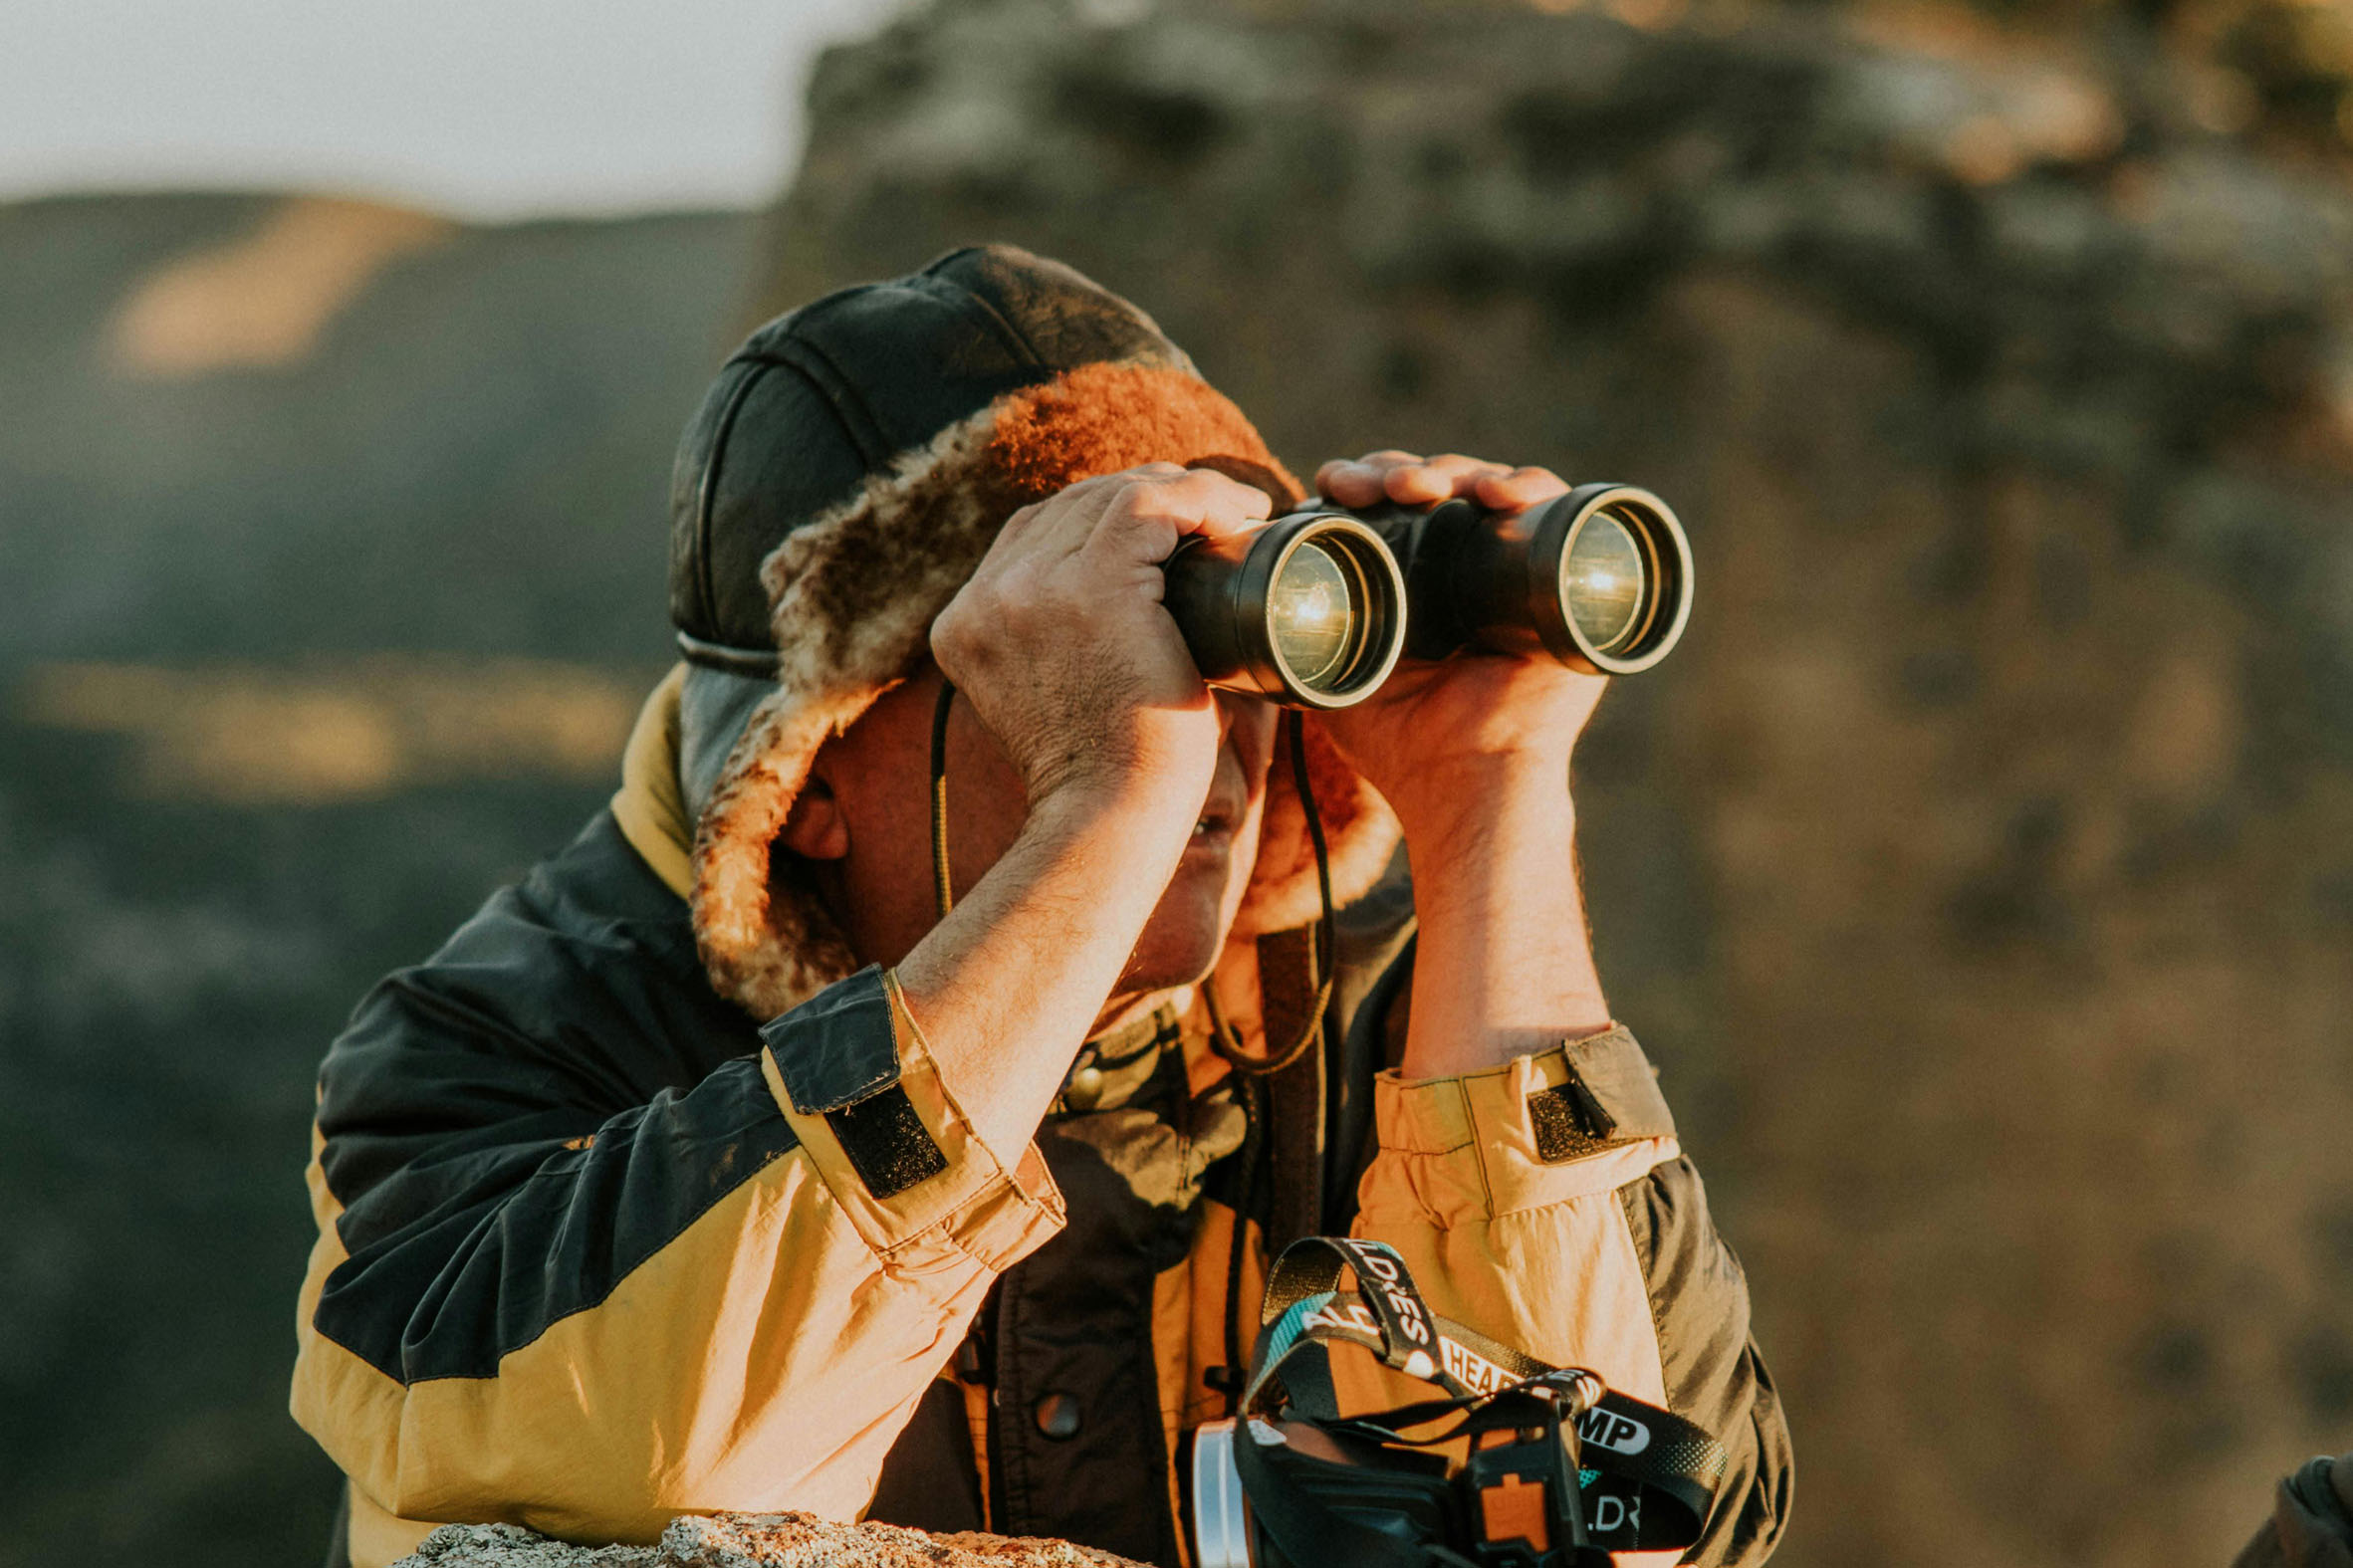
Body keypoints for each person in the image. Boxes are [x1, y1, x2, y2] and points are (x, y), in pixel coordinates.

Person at [291, 245, 1792, 1568]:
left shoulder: (1398, 1025)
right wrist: (1103, 810)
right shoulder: (500, 1050)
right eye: (1069, 670)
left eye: (1230, 649)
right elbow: (648, 1486)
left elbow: (1653, 1513)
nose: (1204, 742)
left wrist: (1493, 802)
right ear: (801, 774)